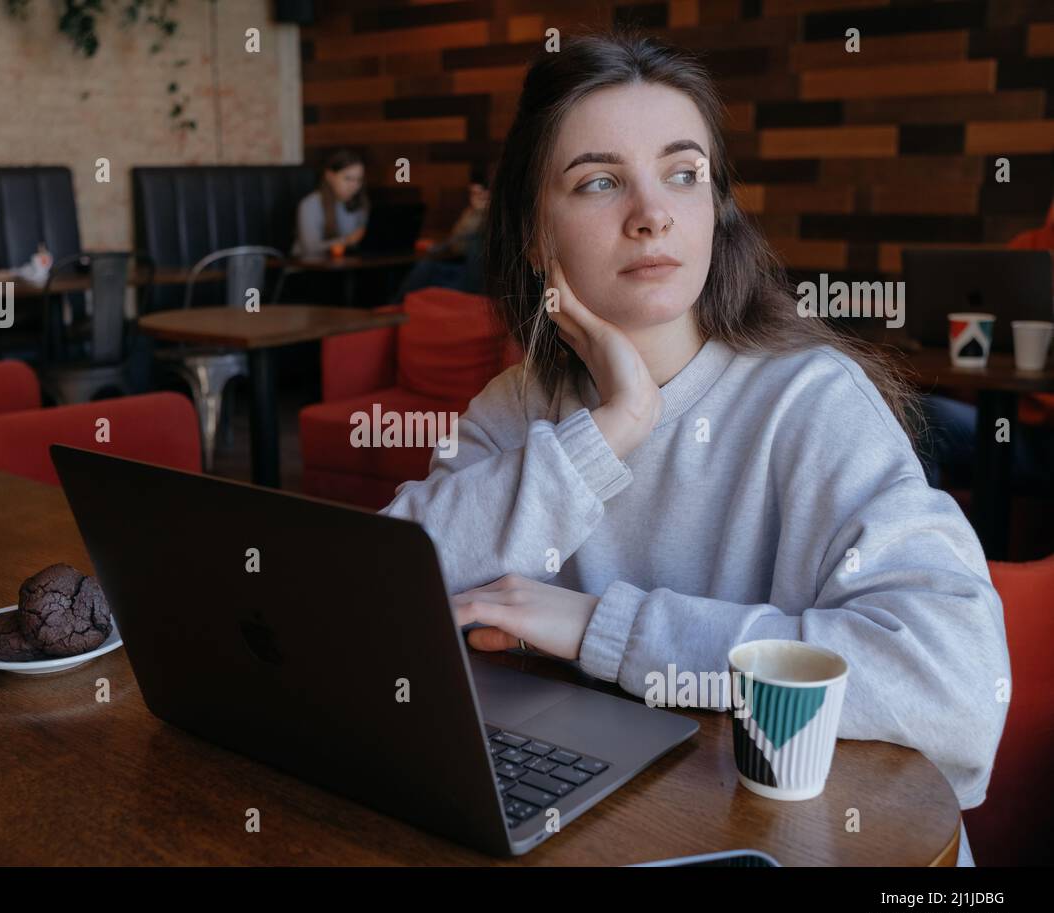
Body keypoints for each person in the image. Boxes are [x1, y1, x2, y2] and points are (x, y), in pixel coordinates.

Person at [379, 32, 1007, 866]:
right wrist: (615, 425)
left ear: (716, 207)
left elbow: (953, 688)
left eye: (683, 173)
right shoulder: (515, 406)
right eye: (600, 181)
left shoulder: (812, 401)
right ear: (536, 240)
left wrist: (606, 627)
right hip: (619, 832)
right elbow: (385, 598)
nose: (652, 212)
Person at [919, 198, 1054, 492]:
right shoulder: (1027, 249)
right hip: (1008, 424)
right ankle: (921, 535)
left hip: (1040, 439)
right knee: (919, 414)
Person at [393, 173, 490, 301]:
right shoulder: (470, 212)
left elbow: (460, 241)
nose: (475, 198)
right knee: (425, 266)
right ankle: (396, 306)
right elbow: (456, 238)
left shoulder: (489, 217)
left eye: (480, 194)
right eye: (472, 193)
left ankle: (397, 306)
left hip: (473, 279)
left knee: (426, 269)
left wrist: (481, 211)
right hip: (461, 265)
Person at [292, 149, 370, 258]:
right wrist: (346, 241)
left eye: (358, 180)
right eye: (348, 179)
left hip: (345, 267)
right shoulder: (310, 204)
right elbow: (309, 249)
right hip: (307, 269)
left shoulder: (360, 204)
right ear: (329, 176)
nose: (354, 186)